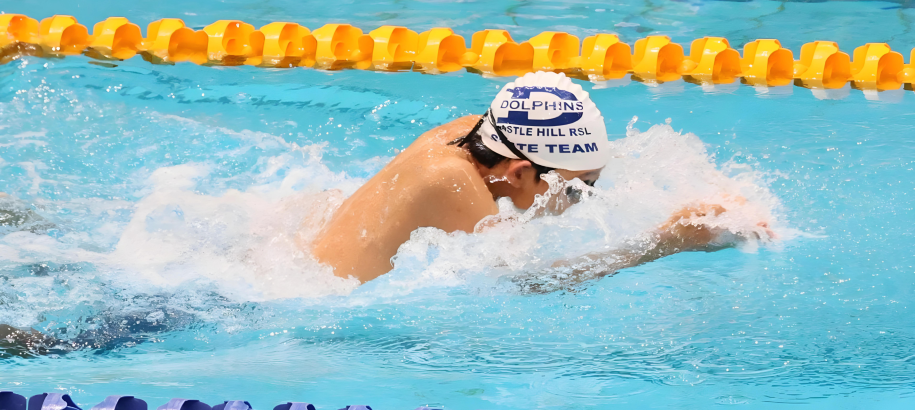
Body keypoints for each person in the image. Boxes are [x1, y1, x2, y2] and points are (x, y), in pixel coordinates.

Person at [310, 71, 770, 283]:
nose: (584, 198)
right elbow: (525, 284)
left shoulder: (470, 132)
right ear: (520, 171)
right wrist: (670, 240)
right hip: (321, 301)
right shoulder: (450, 183)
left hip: (309, 252)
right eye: (578, 189)